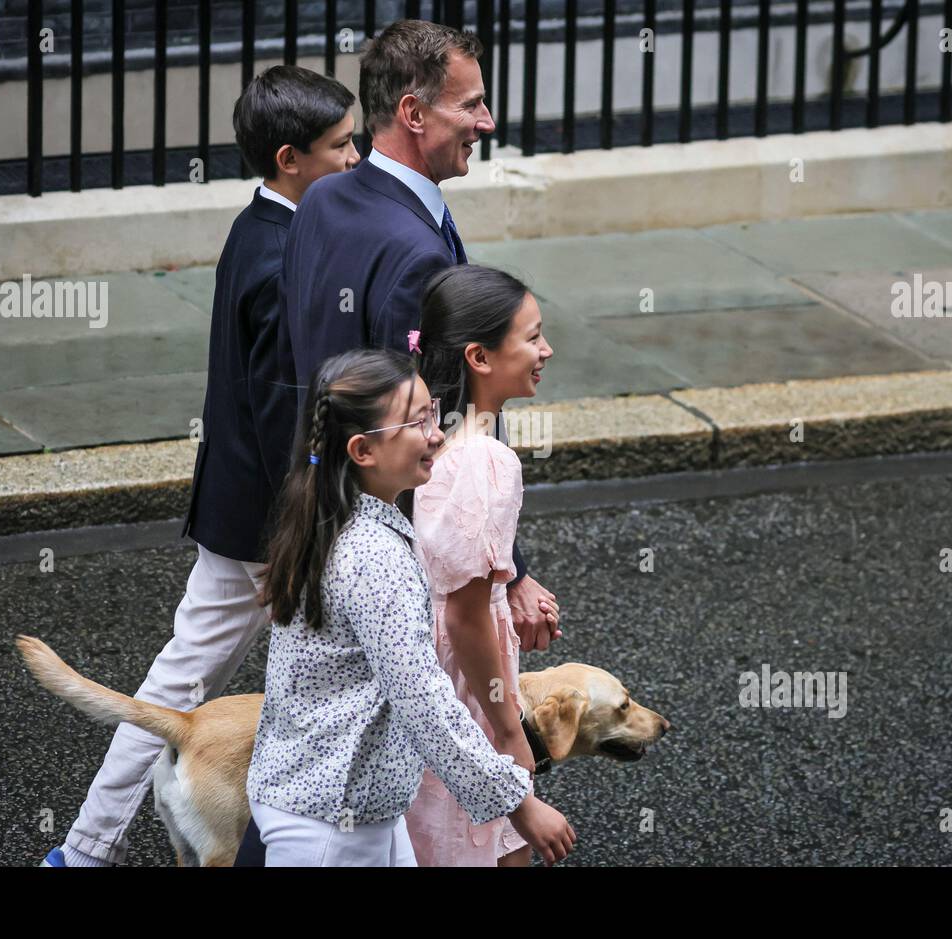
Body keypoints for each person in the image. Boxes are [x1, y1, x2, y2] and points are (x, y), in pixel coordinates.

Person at [40, 66, 358, 867]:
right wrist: (317, 526)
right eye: (341, 144)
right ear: (291, 157)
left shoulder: (258, 227)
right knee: (332, 682)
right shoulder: (286, 258)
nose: (356, 157)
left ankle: (83, 853)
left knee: (179, 692)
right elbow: (288, 411)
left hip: (239, 507)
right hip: (274, 524)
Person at [282, 18, 560, 653]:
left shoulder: (322, 201)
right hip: (394, 551)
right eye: (470, 105)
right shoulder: (417, 254)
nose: (486, 122)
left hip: (323, 519)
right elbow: (443, 416)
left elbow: (297, 360)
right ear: (412, 112)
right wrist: (505, 569)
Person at [245, 349, 575, 866]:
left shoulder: (332, 518)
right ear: (363, 450)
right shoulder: (374, 556)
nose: (437, 434)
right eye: (417, 421)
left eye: (433, 411)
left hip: (339, 805)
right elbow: (424, 701)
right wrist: (518, 802)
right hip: (334, 825)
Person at [402, 265, 555, 866]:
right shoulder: (486, 460)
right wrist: (512, 735)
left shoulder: (433, 438)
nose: (547, 350)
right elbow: (466, 617)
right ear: (480, 357)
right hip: (468, 683)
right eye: (532, 337)